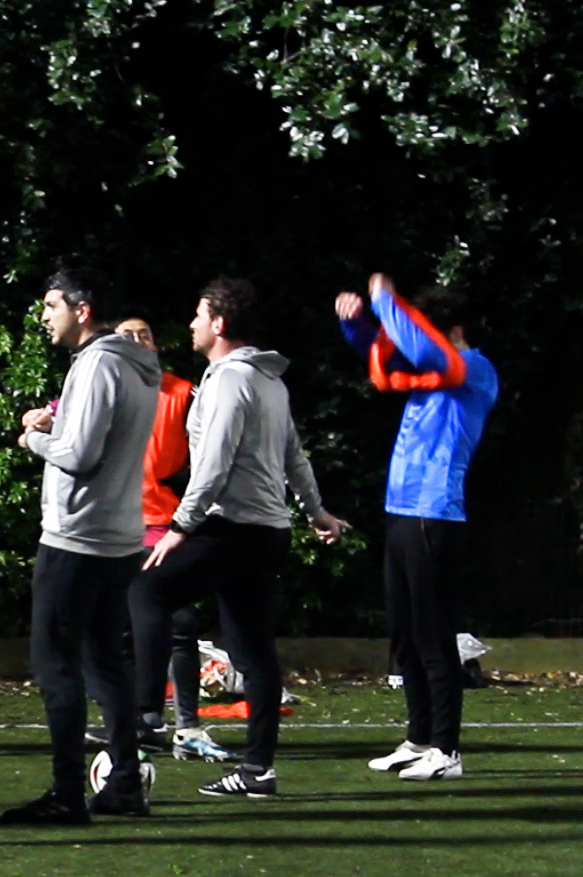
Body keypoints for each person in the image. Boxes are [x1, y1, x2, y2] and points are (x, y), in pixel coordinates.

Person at [130, 278, 349, 798]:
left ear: (220, 324)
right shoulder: (269, 380)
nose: (192, 325)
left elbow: (213, 465)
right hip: (267, 533)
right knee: (253, 653)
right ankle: (258, 770)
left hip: (234, 530)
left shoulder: (230, 381)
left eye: (199, 315)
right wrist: (316, 511)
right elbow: (295, 455)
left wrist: (181, 527)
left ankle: (146, 719)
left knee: (146, 590)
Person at [1, 269, 161, 824]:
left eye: (51, 305)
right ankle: (123, 785)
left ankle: (67, 793)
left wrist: (33, 437)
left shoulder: (98, 363)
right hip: (118, 535)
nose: (46, 316)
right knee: (106, 662)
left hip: (78, 536)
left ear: (83, 309)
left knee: (55, 665)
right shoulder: (137, 364)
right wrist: (59, 425)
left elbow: (82, 454)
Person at [336, 274, 498, 781]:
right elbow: (386, 350)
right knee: (404, 636)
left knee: (434, 636)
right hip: (402, 510)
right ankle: (418, 739)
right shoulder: (428, 367)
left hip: (435, 512)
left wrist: (387, 302)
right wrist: (358, 323)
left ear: (449, 330)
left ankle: (446, 750)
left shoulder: (473, 367)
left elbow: (418, 347)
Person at [113, 311, 235, 764]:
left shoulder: (183, 393)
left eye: (145, 333)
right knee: (125, 627)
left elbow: (209, 453)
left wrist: (188, 503)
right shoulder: (102, 389)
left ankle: (185, 725)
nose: (138, 340)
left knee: (179, 625)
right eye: (127, 335)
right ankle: (135, 721)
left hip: (167, 523)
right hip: (117, 526)